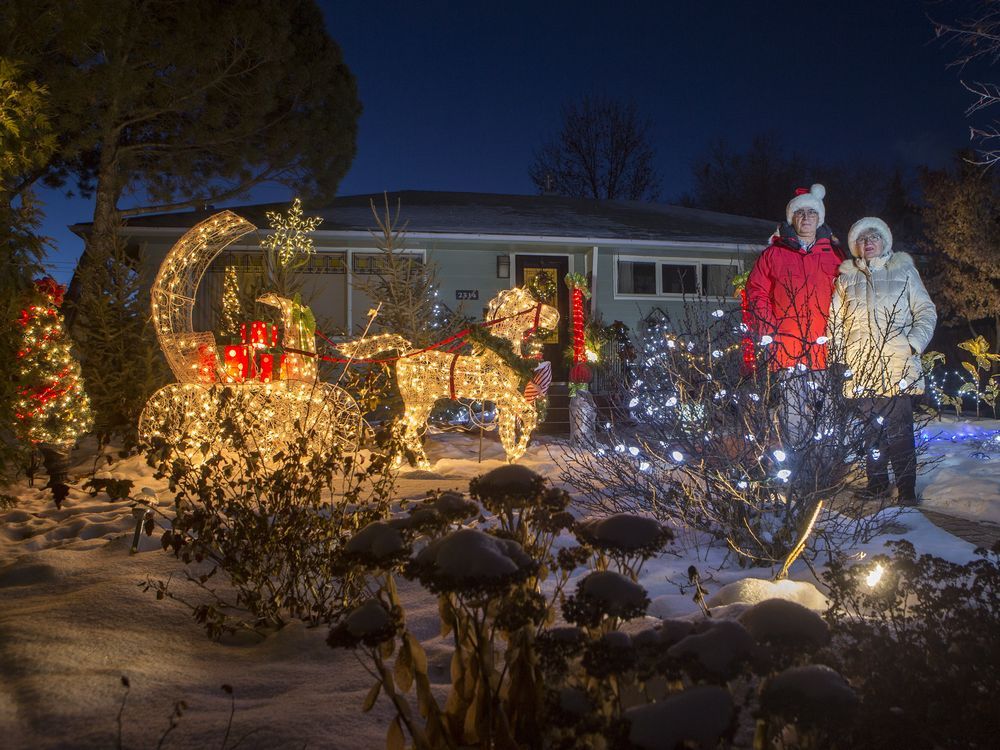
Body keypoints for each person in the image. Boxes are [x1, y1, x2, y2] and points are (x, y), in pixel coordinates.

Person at [829, 217, 937, 505]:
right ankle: (877, 483)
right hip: (861, 367)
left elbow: (926, 311)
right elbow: (836, 323)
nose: (869, 243)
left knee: (900, 431)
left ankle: (906, 489)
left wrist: (912, 344)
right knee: (871, 432)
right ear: (856, 246)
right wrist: (841, 359)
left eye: (874, 237)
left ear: (884, 241)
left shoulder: (904, 271)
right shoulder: (846, 279)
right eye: (863, 239)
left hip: (897, 364)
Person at [746, 183, 844, 449]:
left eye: (811, 213)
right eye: (800, 213)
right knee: (793, 419)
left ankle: (824, 473)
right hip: (787, 350)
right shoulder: (774, 254)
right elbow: (756, 292)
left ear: (819, 218)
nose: (806, 218)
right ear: (792, 218)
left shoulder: (834, 255)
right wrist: (769, 330)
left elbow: (849, 296)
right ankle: (799, 476)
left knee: (825, 421)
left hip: (825, 351)